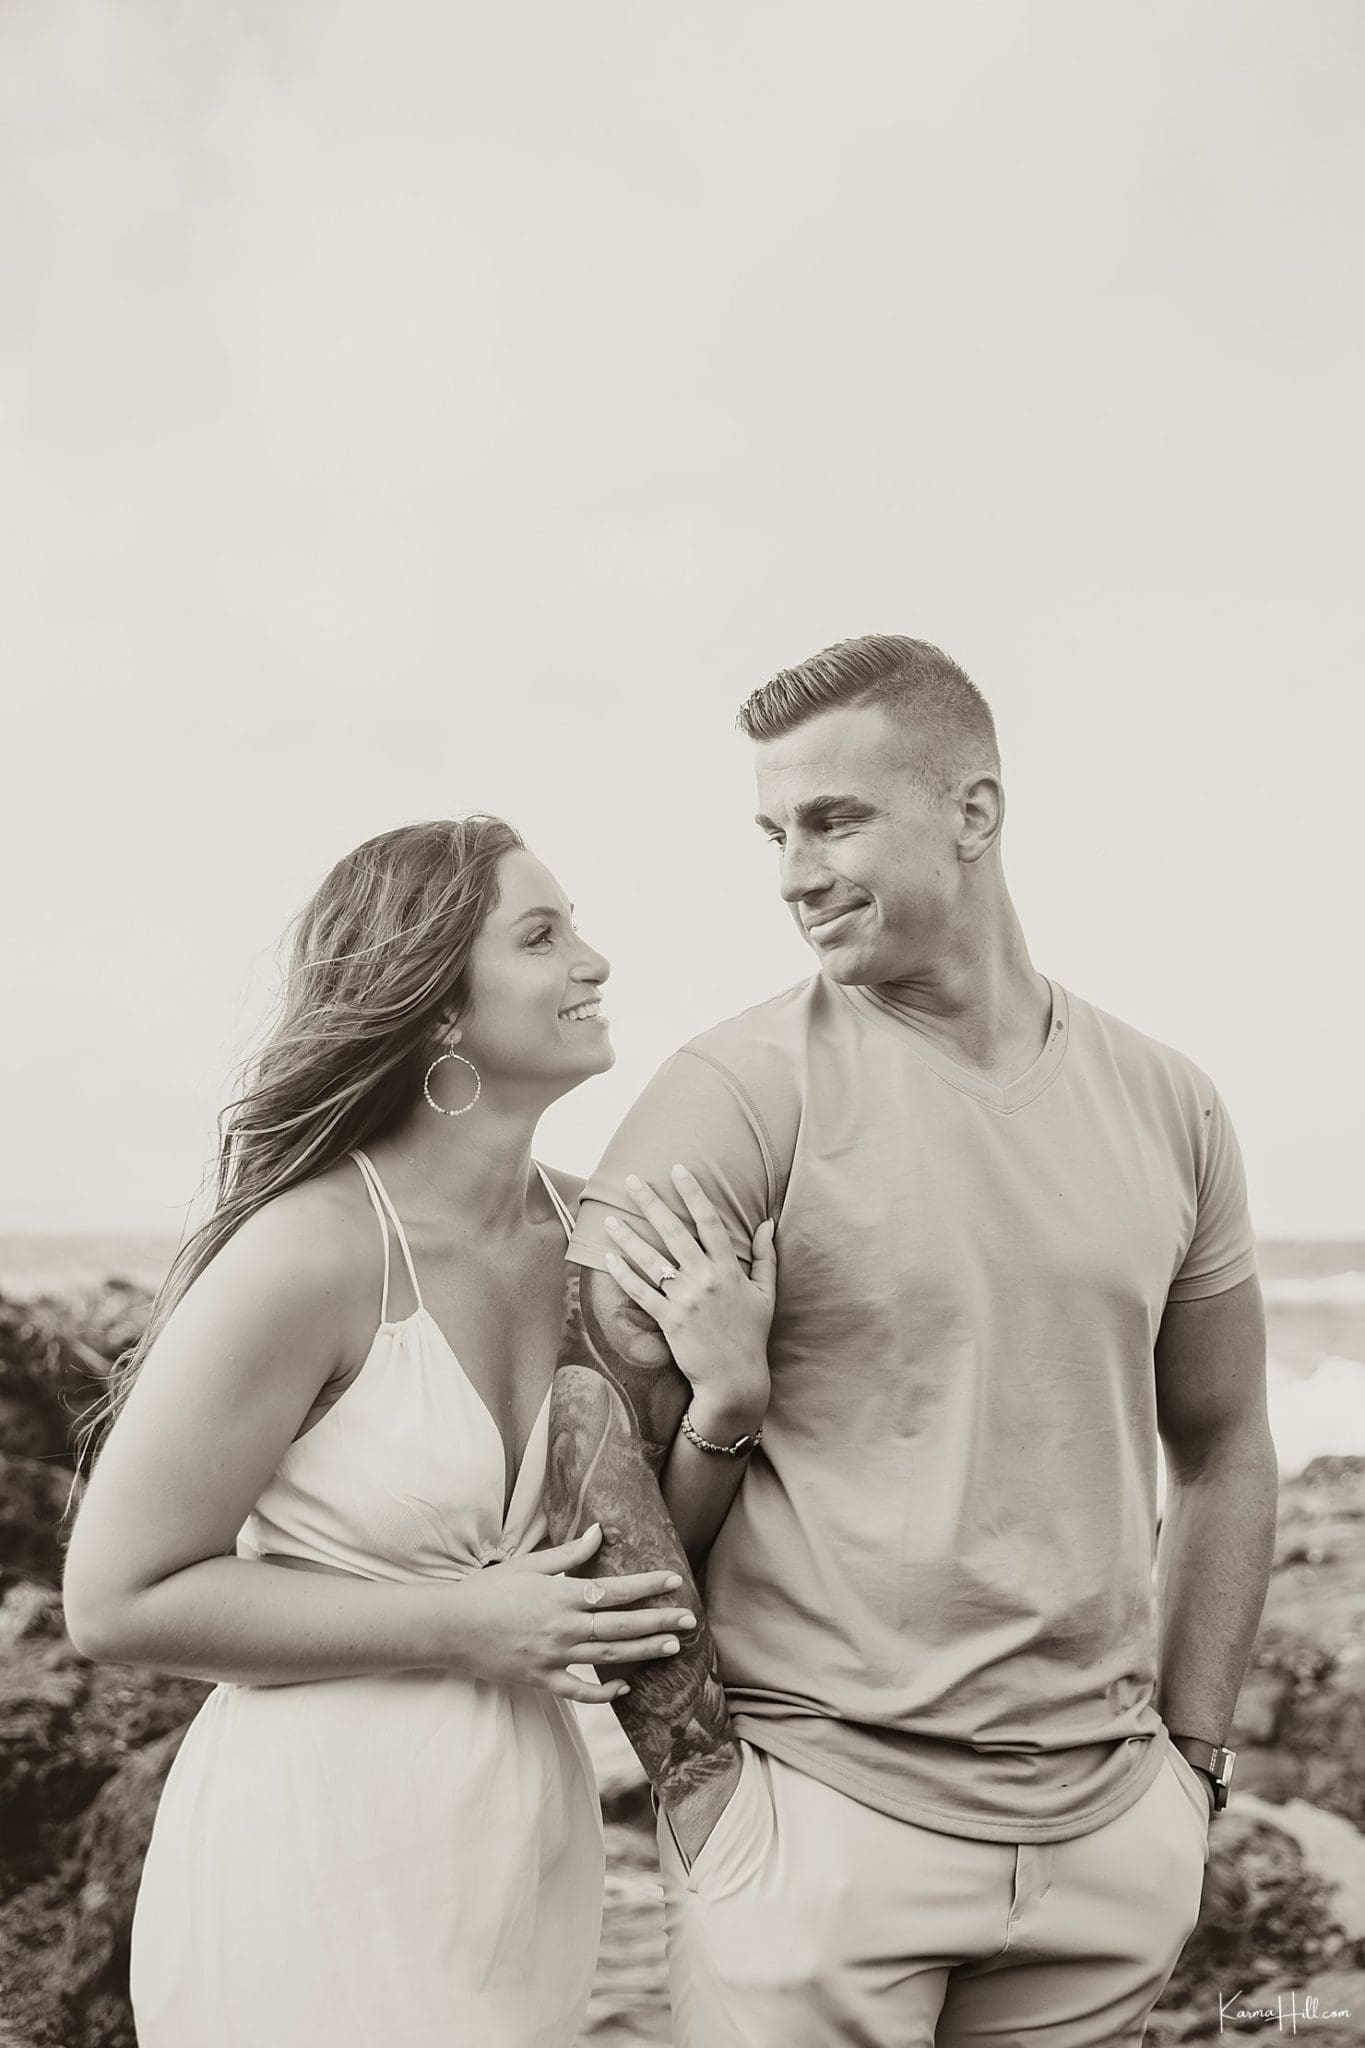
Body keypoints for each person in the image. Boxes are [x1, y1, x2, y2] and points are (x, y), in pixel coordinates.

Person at [546, 635, 1278, 2048]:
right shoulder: (734, 1095)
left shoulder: (1171, 1105)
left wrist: (1192, 1766)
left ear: (973, 812)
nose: (793, 874)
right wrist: (708, 1805)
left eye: (832, 819)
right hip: (821, 1841)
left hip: (1107, 1846)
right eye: (773, 833)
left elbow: (1228, 1442)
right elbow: (588, 1463)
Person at [61, 815, 773, 2048]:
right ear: (439, 1008)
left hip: (518, 1845)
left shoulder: (592, 1239)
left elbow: (638, 1586)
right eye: (543, 935)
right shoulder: (310, 1250)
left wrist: (726, 1405)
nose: (595, 960)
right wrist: (470, 1621)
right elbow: (117, 1597)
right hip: (316, 1844)